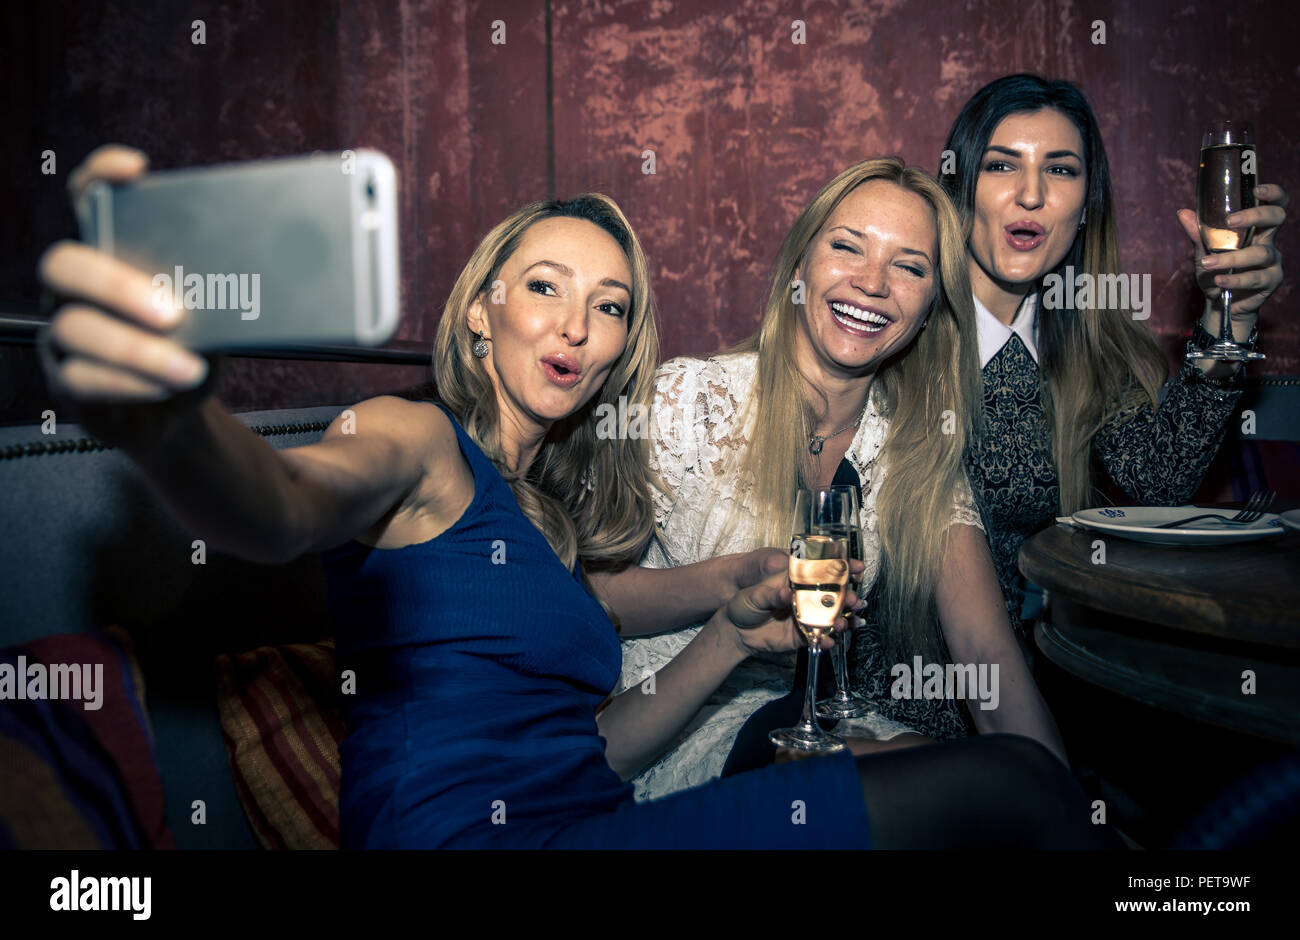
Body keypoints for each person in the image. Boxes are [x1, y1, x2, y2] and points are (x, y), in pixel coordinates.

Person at [35, 145, 1114, 849]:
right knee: (1005, 793)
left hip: (592, 819)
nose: (571, 327)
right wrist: (168, 415)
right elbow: (277, 504)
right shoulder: (412, 440)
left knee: (1003, 786)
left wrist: (733, 638)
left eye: (605, 307)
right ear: (478, 311)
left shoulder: (547, 522)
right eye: (543, 287)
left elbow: (596, 751)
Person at [591, 158, 1066, 802]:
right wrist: (737, 581)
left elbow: (987, 652)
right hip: (664, 735)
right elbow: (600, 598)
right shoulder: (686, 397)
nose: (873, 282)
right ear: (798, 270)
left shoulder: (916, 448)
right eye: (847, 247)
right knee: (949, 790)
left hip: (820, 725)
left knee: (991, 787)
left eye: (910, 266)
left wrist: (1055, 796)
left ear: (930, 308)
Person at [935, 73, 1289, 638]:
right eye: (1001, 165)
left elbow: (1161, 482)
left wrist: (1232, 314)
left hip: (1055, 668)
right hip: (895, 692)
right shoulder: (901, 324)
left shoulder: (1092, 346)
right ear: (959, 184)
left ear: (1084, 204)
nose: (1031, 194)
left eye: (1060, 168)